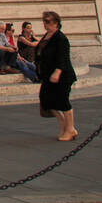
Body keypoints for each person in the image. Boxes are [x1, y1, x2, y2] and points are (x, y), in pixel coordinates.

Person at [35, 10, 78, 141]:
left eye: (48, 21)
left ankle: (70, 129)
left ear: (56, 23)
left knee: (62, 101)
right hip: (47, 75)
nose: (45, 24)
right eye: (44, 21)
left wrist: (58, 72)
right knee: (46, 100)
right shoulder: (47, 36)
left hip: (62, 75)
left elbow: (63, 57)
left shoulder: (61, 38)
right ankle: (64, 125)